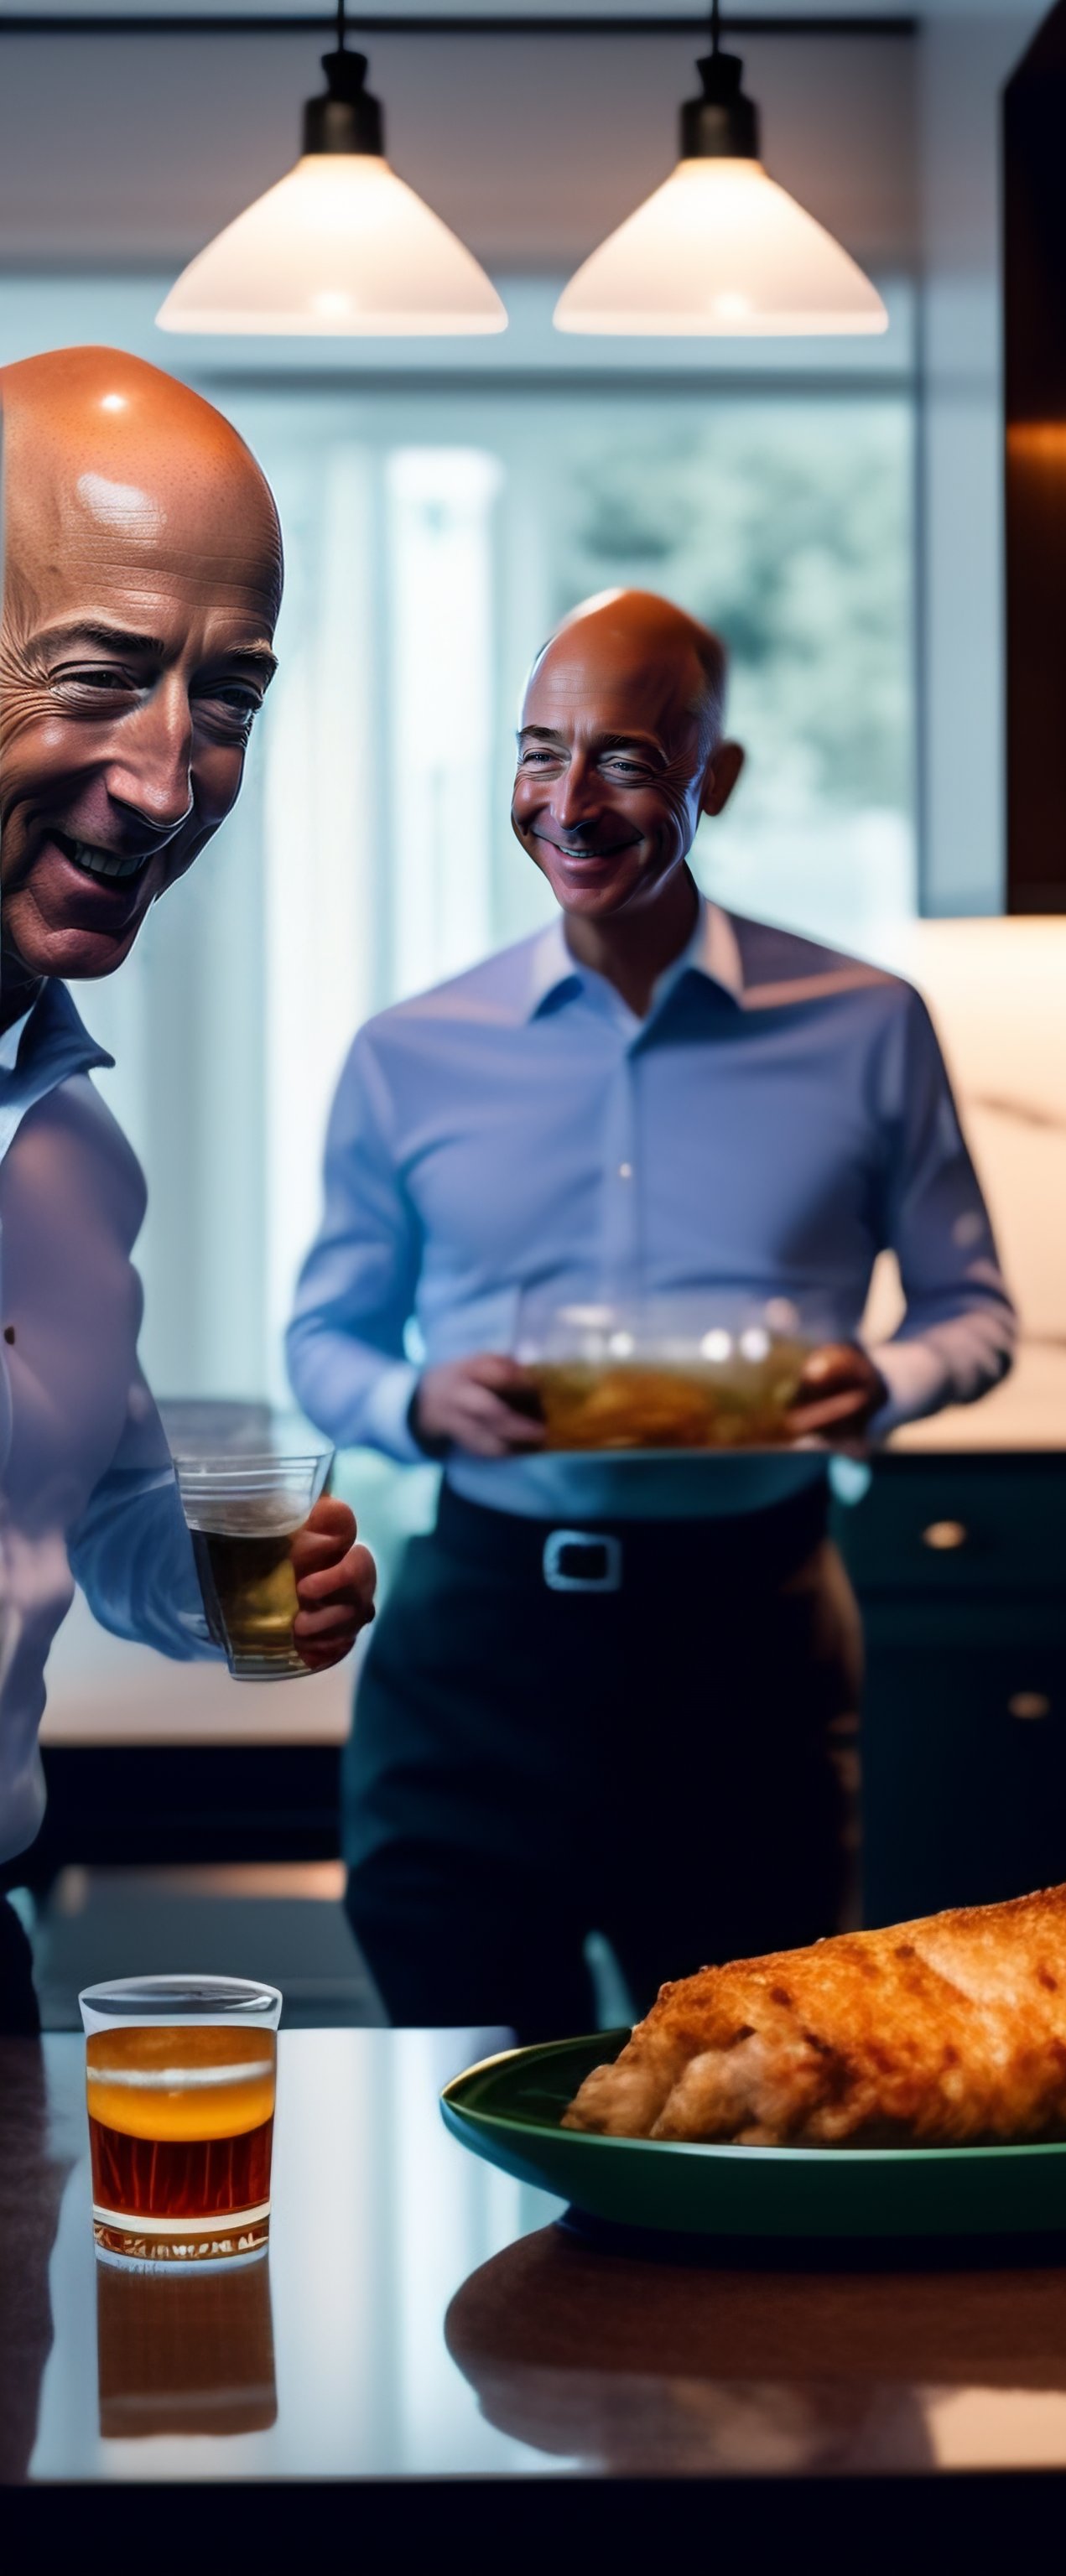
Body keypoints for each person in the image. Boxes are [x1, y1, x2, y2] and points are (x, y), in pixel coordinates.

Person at [288, 588, 1014, 2038]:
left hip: (752, 1643)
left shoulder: (870, 1023)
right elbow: (326, 1339)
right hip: (482, 1645)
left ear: (715, 779)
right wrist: (419, 1403)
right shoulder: (407, 1053)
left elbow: (973, 1308)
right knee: (462, 2088)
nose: (568, 801)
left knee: (754, 2105)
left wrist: (885, 1380)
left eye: (623, 757)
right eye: (537, 751)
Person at [0, 348, 377, 2036]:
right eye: (98, 680)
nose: (168, 783)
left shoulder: (74, 1152)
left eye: (224, 702)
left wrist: (246, 1590)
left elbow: (98, 1508)